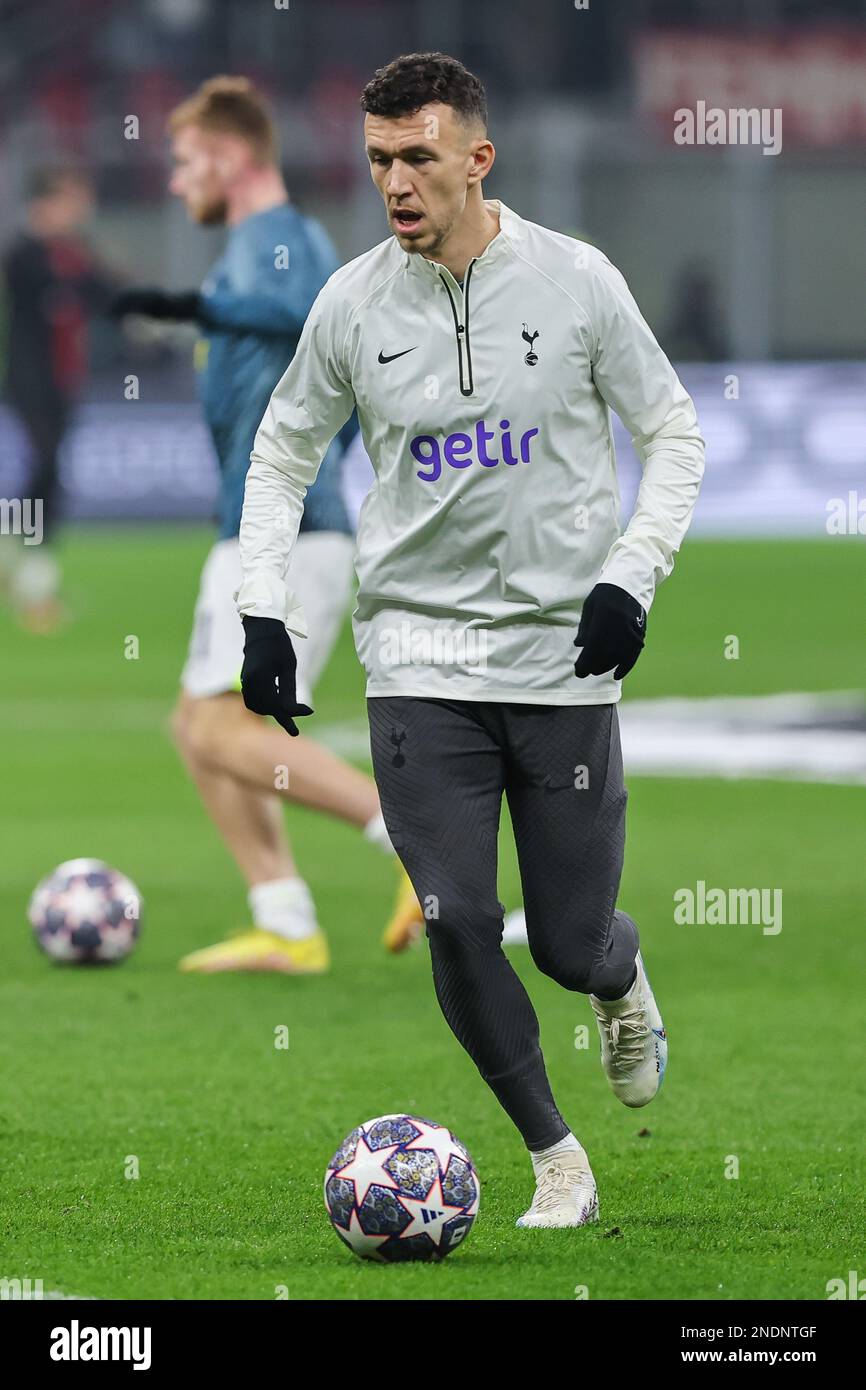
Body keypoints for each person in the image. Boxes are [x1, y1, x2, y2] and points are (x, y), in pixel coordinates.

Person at [235, 53, 705, 1227]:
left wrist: (628, 580)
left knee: (565, 940)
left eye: (419, 159)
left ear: (476, 160)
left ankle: (617, 973)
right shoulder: (350, 302)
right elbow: (284, 449)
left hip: (562, 662)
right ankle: (556, 1156)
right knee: (451, 914)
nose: (395, 182)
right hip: (417, 662)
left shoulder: (576, 282)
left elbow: (674, 433)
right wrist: (264, 608)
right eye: (379, 159)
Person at [113, 76, 422, 974]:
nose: (176, 184)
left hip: (285, 526)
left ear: (227, 156)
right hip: (262, 526)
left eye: (182, 163)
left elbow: (307, 317)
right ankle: (286, 919)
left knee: (220, 730)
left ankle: (416, 853)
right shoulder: (259, 246)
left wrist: (195, 308)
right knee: (196, 723)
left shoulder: (280, 240)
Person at [1, 167, 115, 631]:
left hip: (65, 378)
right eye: (73, 199)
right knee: (45, 464)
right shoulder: (25, 252)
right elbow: (43, 292)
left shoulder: (74, 254)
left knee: (49, 473)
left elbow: (106, 291)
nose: (81, 210)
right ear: (49, 202)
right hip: (29, 379)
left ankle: (22, 558)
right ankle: (31, 574)